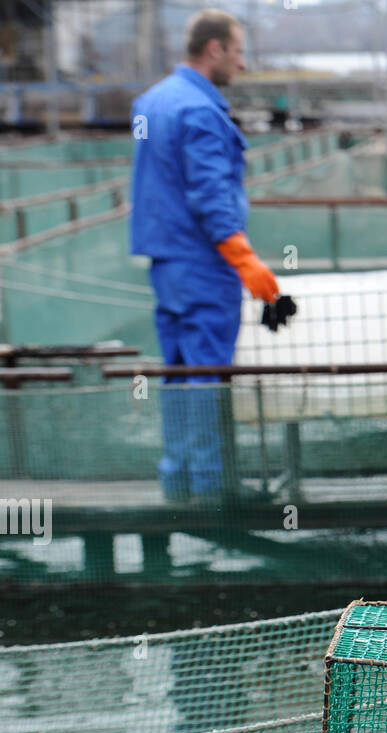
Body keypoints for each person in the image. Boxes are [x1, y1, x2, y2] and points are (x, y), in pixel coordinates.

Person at [130, 9, 281, 502]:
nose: (241, 63)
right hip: (201, 263)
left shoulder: (152, 102)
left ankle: (177, 483)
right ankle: (212, 492)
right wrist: (247, 262)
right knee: (208, 378)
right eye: (238, 51)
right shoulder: (198, 111)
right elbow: (210, 195)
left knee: (176, 375)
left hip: (165, 262)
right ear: (214, 49)